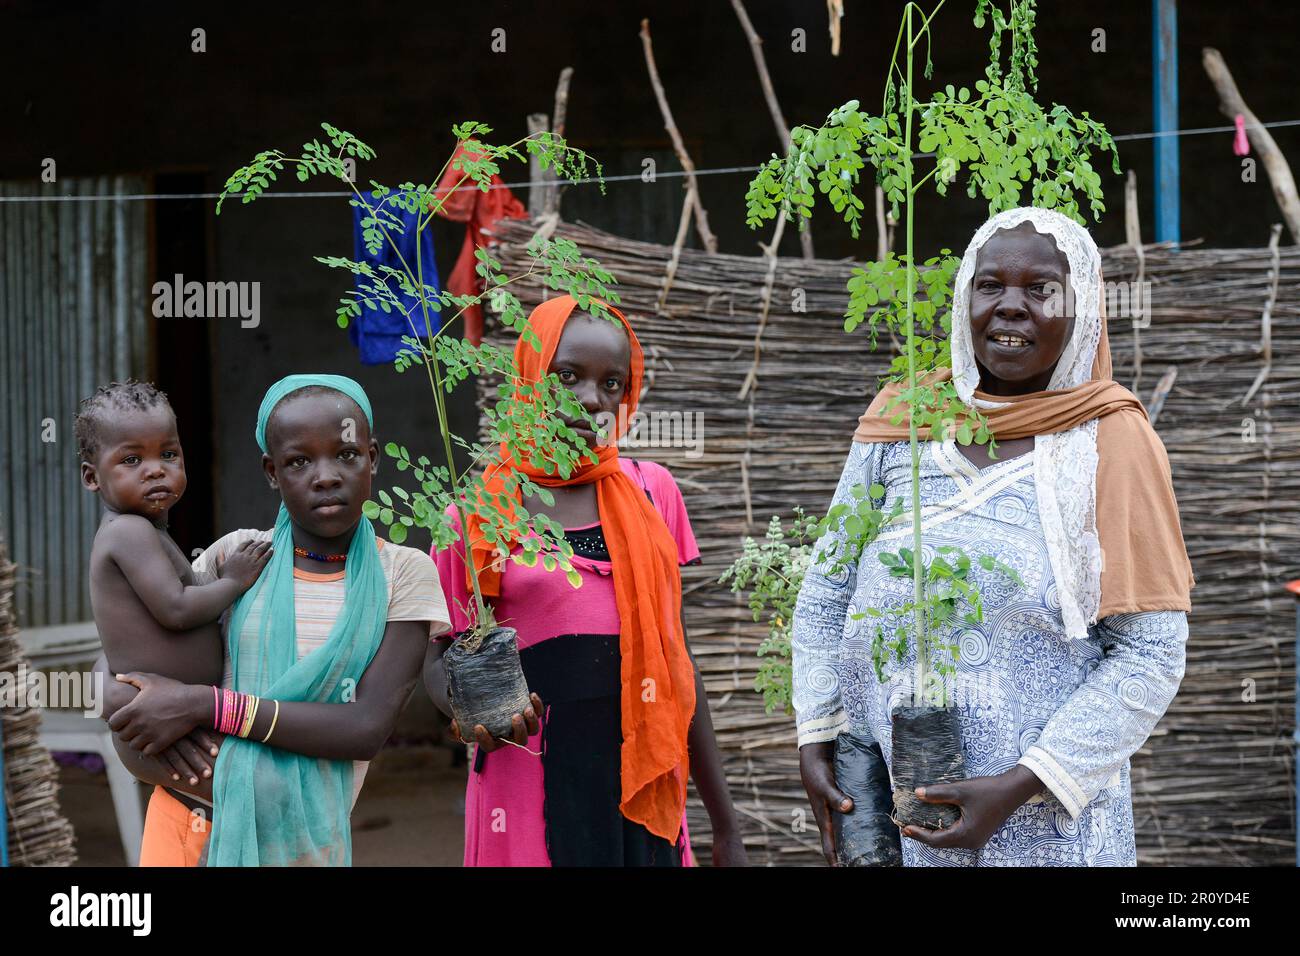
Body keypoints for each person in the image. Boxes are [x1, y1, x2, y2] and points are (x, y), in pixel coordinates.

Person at [792, 206, 1195, 866]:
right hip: (898, 812)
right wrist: (818, 733)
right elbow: (826, 595)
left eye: (1039, 289)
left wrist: (1021, 784)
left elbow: (1150, 653)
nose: (1010, 307)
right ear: (964, 298)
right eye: (990, 286)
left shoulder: (1110, 442)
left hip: (1048, 828)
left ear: (1083, 305)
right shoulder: (905, 420)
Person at [425, 294, 748, 866]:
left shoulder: (652, 495)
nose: (589, 399)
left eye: (611, 384)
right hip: (526, 773)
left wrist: (726, 826)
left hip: (639, 774)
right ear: (529, 372)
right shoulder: (476, 514)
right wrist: (468, 709)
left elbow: (678, 661)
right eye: (566, 375)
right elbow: (437, 656)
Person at [96, 374, 450, 865]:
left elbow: (365, 727)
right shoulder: (238, 558)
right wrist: (116, 691)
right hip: (185, 825)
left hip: (299, 838)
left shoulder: (404, 575)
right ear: (271, 471)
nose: (325, 476)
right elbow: (135, 640)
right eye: (299, 461)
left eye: (345, 454)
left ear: (372, 457)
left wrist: (204, 705)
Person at [78, 380, 271, 823]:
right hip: (154, 727)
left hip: (175, 718)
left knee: (235, 817)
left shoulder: (146, 530)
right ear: (92, 477)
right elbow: (177, 609)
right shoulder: (128, 532)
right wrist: (234, 583)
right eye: (131, 460)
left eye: (168, 454)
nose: (155, 469)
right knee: (255, 807)